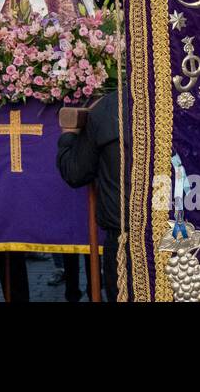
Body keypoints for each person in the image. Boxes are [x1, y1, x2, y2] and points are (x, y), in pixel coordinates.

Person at [56, 90, 126, 301]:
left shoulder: (105, 108)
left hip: (124, 237)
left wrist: (68, 134)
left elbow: (76, 173)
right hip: (175, 236)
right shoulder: (185, 104)